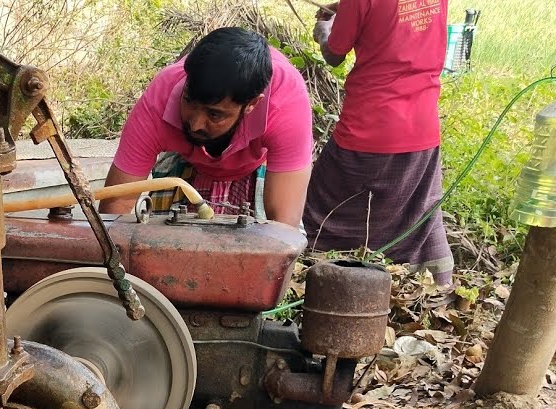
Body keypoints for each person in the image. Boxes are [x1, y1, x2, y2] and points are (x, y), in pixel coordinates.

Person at [100, 27, 314, 227]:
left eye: (214, 114)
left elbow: (284, 226)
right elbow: (115, 208)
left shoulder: (286, 102)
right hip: (187, 163)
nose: (194, 124)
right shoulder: (160, 97)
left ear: (251, 105)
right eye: (188, 102)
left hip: (257, 166)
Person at [305, 0, 452, 285]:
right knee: (419, 213)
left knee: (318, 214)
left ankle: (318, 283)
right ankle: (438, 290)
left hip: (370, 127)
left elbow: (334, 55)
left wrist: (324, 29)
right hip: (423, 126)